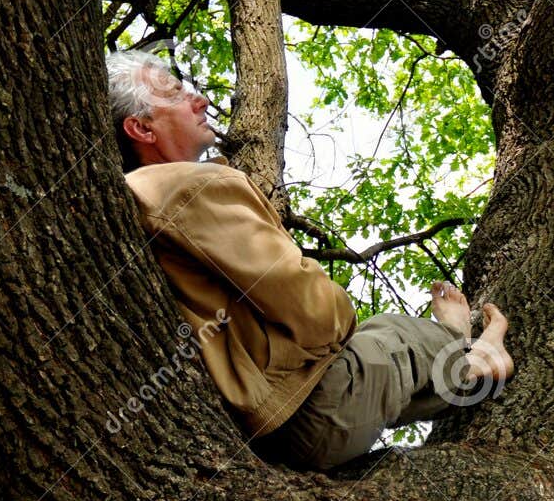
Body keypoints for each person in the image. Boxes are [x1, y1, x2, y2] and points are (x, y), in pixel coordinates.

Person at [104, 49, 513, 470]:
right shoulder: (187, 187)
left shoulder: (133, 200)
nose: (201, 101)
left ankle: (464, 370)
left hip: (266, 434)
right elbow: (316, 312)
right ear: (141, 128)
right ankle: (462, 344)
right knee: (386, 330)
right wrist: (339, 315)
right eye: (175, 94)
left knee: (377, 350)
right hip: (312, 409)